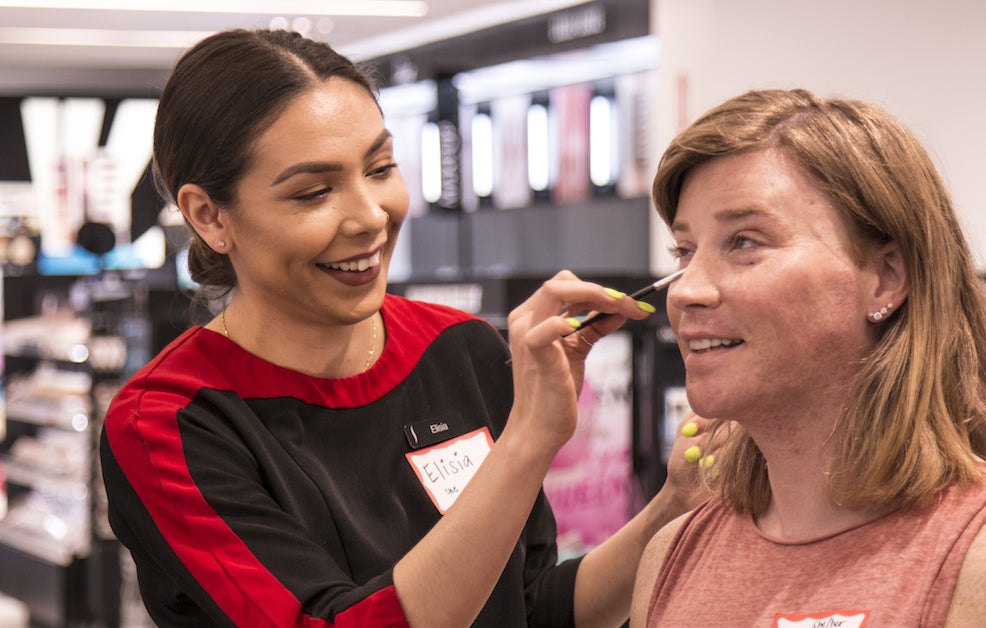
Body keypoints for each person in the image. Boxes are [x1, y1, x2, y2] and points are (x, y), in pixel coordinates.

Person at [99, 28, 707, 627]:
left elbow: (531, 604)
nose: (370, 216)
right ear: (209, 216)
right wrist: (525, 443)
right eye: (313, 193)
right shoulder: (168, 421)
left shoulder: (458, 350)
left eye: (381, 168)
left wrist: (677, 502)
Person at [629, 88, 986, 627]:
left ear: (886, 278)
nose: (686, 290)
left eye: (744, 241)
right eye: (684, 251)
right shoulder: (671, 557)